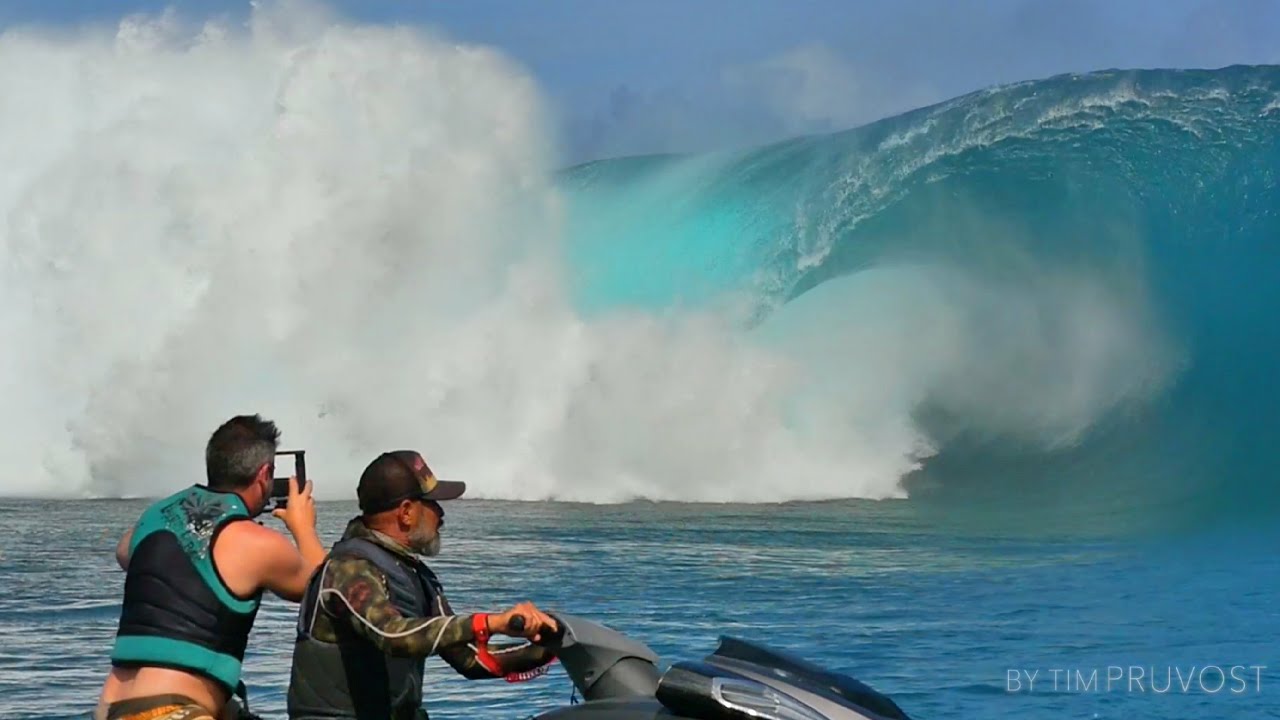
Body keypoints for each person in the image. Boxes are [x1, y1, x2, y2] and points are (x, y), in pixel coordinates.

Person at [286, 450, 560, 720]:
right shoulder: (349, 568)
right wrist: (490, 623)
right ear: (406, 512)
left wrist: (553, 644)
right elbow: (392, 635)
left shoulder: (417, 576)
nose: (441, 514)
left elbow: (469, 658)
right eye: (432, 504)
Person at [95, 414, 327, 720]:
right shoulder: (257, 543)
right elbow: (325, 588)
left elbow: (125, 553)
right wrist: (303, 526)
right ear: (264, 473)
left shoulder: (152, 518)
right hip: (174, 710)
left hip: (110, 707)